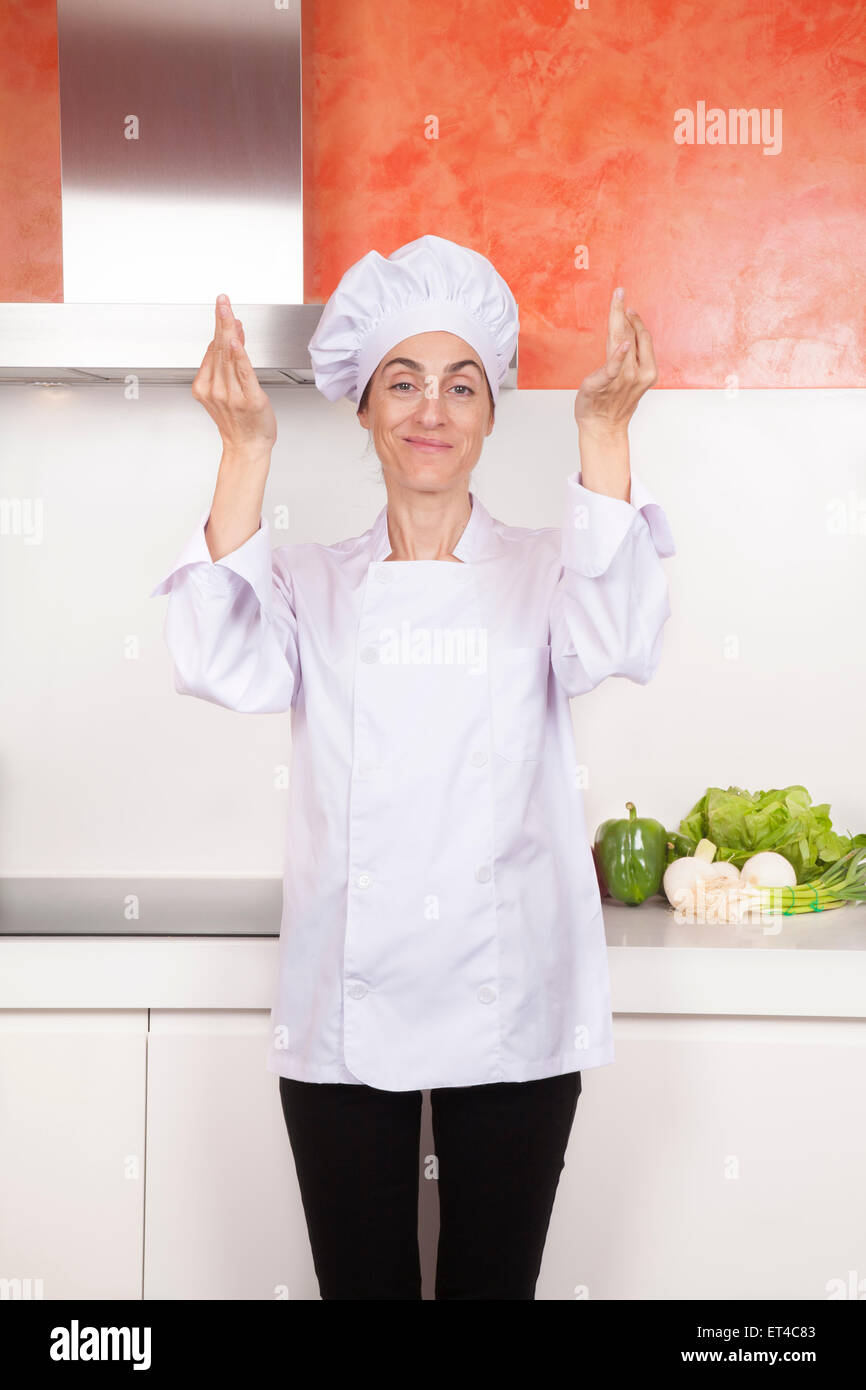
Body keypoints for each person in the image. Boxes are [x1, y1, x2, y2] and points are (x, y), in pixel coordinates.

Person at [150, 234, 676, 1300]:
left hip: (511, 1003)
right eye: (402, 380)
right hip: (346, 1012)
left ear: (489, 414)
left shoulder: (543, 568)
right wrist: (245, 452)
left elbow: (616, 635)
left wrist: (606, 430)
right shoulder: (310, 580)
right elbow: (217, 661)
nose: (429, 408)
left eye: (459, 384)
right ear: (361, 408)